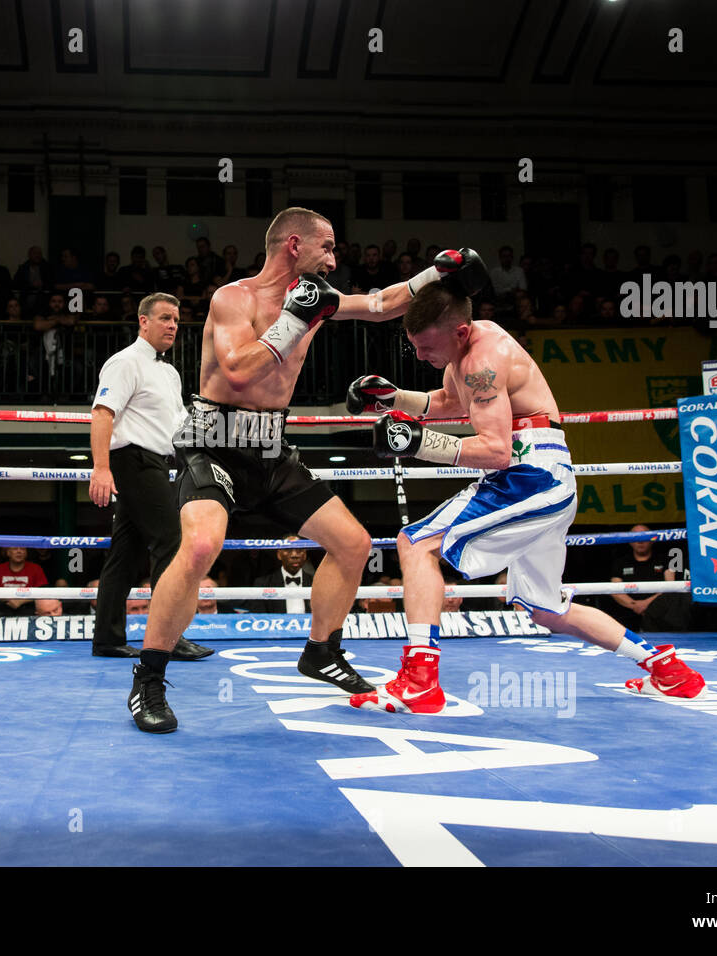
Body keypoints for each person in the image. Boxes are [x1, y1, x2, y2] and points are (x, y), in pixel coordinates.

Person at [127, 206, 477, 733]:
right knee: (201, 546)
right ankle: (148, 679)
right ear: (294, 245)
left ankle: (321, 650)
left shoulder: (324, 300)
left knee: (354, 543)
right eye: (327, 248)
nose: (334, 261)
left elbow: (381, 304)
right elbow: (240, 372)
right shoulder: (233, 298)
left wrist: (436, 274)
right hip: (212, 443)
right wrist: (295, 318)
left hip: (271, 448)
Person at [347, 279, 707, 714]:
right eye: (416, 347)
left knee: (416, 542)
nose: (421, 356)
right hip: (546, 480)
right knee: (545, 609)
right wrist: (393, 399)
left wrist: (419, 444)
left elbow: (497, 453)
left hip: (528, 474)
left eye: (427, 346)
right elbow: (448, 399)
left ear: (459, 331)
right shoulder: (467, 353)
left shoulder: (483, 360)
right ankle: (667, 670)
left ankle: (421, 680)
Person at [89, 292, 211, 661]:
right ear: (144, 321)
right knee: (171, 542)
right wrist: (101, 467)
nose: (173, 325)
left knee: (125, 554)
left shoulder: (169, 372)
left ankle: (108, 638)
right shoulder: (124, 362)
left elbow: (178, 425)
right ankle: (167, 638)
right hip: (133, 460)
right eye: (164, 318)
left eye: (176, 319)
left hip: (158, 462)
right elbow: (102, 413)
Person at [0, 547, 62, 617]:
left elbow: (44, 593)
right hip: (2, 609)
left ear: (26, 553)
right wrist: (6, 598)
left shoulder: (35, 568)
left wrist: (21, 601)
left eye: (22, 549)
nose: (19, 551)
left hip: (29, 610)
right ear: (8, 553)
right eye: (15, 549)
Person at [250, 536, 315, 613]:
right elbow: (258, 619)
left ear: (304, 555)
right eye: (288, 550)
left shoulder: (316, 583)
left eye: (299, 550)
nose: (294, 555)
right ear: (279, 555)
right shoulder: (263, 584)